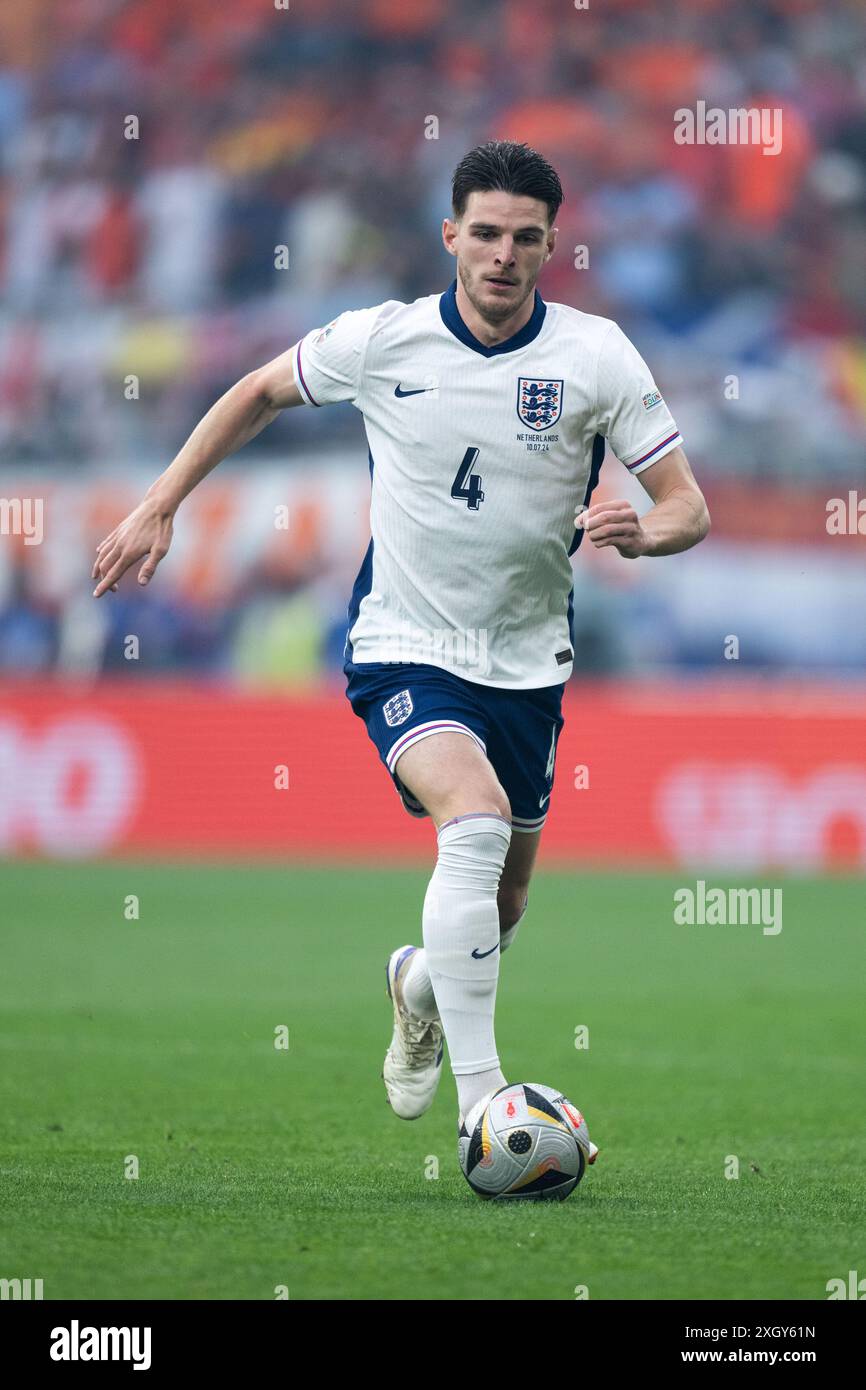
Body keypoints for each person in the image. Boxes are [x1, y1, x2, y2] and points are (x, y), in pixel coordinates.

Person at [92, 140, 709, 1163]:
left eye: (524, 238)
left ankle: (419, 983)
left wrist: (651, 531)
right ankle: (485, 1108)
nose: (502, 255)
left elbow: (686, 503)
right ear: (449, 236)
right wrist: (159, 503)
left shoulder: (596, 357)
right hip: (403, 646)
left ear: (551, 244)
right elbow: (256, 390)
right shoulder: (382, 340)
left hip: (527, 663)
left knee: (501, 907)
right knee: (466, 824)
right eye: (484, 234)